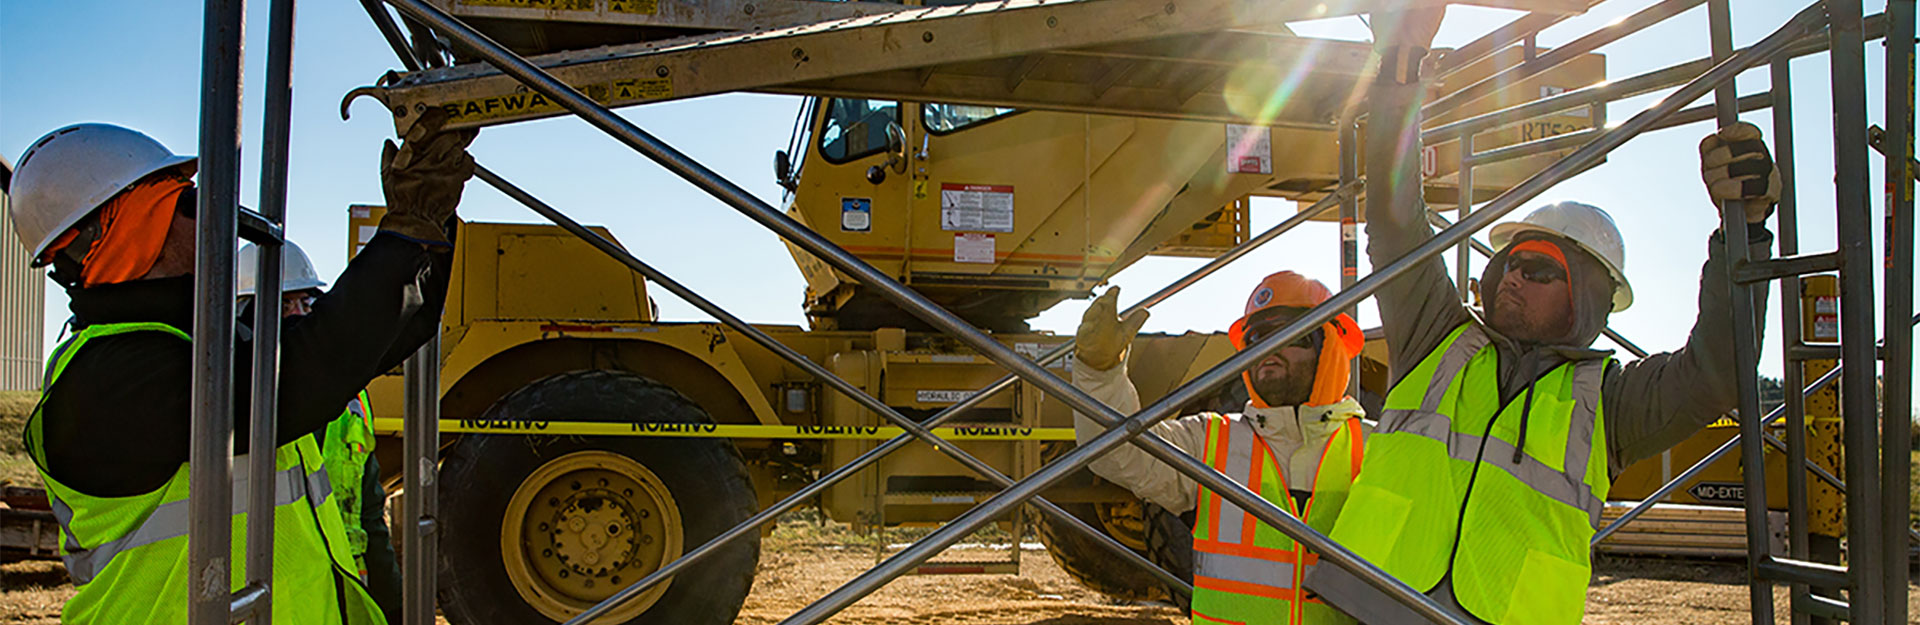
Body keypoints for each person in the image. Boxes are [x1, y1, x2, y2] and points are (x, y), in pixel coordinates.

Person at [1304, 10, 1782, 624]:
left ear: (1587, 297)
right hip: (1368, 606)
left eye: (1541, 270)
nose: (1514, 278)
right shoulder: (1438, 339)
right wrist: (1401, 68)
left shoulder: (1609, 403)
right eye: (1511, 264)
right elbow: (1396, 225)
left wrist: (1743, 231)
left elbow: (1717, 371)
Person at [11, 109, 474, 624]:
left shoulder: (208, 346)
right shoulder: (105, 381)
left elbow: (391, 334)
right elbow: (301, 376)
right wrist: (405, 230)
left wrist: (430, 223)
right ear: (118, 232)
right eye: (184, 203)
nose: (208, 217)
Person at [1071, 272, 1369, 625]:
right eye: (1256, 337)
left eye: (1289, 333)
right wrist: (1100, 373)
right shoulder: (1211, 442)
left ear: (1329, 345)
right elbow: (1117, 455)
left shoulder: (1376, 449)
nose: (1266, 348)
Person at [238, 240, 403, 625]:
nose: (299, 316)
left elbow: (367, 512)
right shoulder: (231, 403)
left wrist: (393, 602)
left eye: (306, 304)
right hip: (271, 600)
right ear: (243, 315)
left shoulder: (350, 400)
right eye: (283, 305)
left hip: (340, 597)